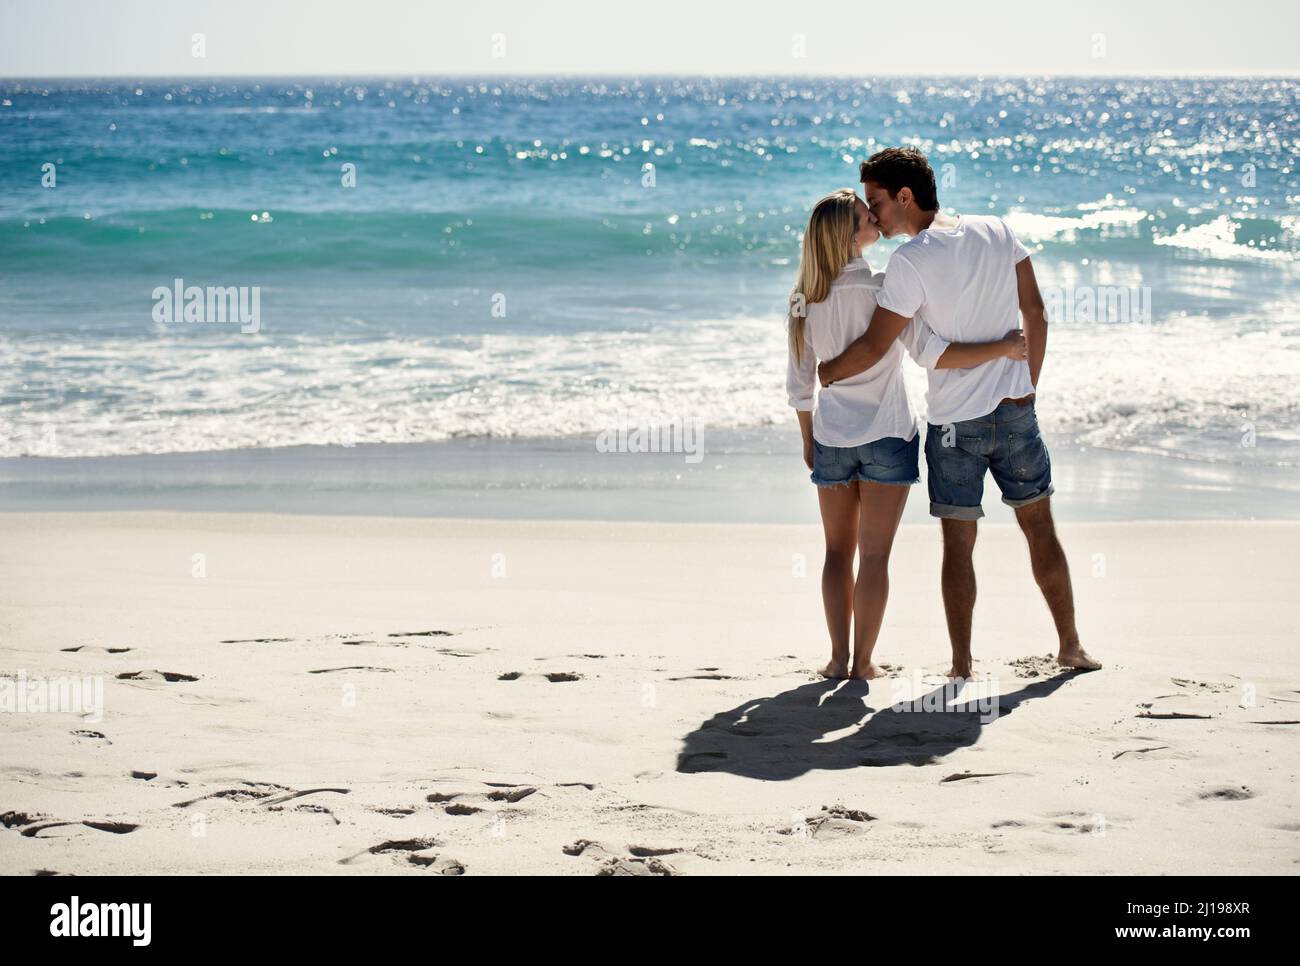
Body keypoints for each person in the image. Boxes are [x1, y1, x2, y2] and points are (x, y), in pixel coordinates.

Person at [817, 149, 1102, 679]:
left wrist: (827, 371)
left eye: (877, 202)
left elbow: (884, 346)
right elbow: (1036, 312)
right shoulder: (996, 229)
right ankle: (1070, 646)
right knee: (1040, 527)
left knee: (958, 545)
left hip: (952, 426)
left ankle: (961, 666)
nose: (873, 215)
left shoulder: (909, 262)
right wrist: (1026, 385)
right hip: (1015, 412)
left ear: (906, 196)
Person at [787, 187, 1027, 680]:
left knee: (837, 553)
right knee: (874, 557)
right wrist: (1001, 347)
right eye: (863, 215)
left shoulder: (804, 299)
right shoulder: (883, 288)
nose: (874, 217)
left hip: (833, 436)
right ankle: (863, 664)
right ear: (851, 235)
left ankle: (836, 659)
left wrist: (809, 439)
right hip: (888, 436)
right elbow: (931, 353)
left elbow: (799, 385)